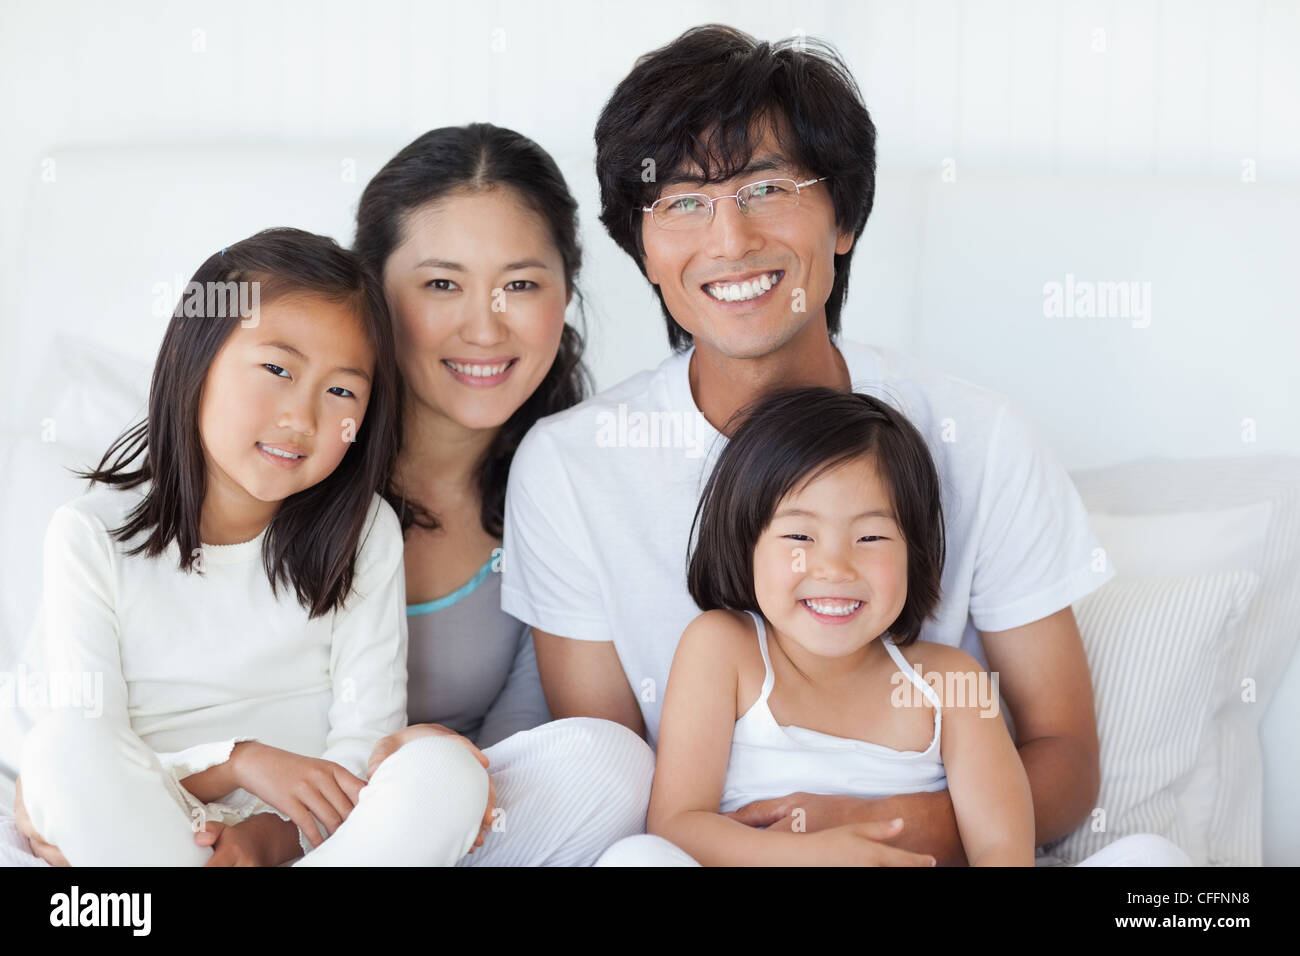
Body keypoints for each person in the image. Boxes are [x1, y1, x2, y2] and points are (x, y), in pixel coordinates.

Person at [501, 24, 1192, 866]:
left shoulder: (979, 438)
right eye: (683, 201)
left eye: (767, 187)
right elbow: (615, 784)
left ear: (844, 219)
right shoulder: (572, 467)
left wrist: (870, 834)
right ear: (643, 249)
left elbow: (1066, 759)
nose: (730, 241)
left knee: (1162, 874)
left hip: (940, 850)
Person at [14, 227, 491, 866]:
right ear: (196, 360)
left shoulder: (363, 531)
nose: (302, 417)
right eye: (276, 369)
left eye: (342, 390)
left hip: (310, 839)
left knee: (445, 768)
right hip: (157, 827)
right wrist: (242, 764)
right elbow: (92, 739)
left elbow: (362, 742)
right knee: (57, 756)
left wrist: (270, 837)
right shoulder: (89, 536)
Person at [352, 124, 655, 866]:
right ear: (373, 295)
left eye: (520, 284)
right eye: (441, 284)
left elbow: (526, 740)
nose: (484, 327)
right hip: (277, 797)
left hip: (449, 818)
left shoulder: (563, 483)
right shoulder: (296, 455)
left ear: (565, 293)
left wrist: (445, 777)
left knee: (614, 762)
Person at [645, 386, 1034, 865]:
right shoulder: (723, 650)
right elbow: (674, 828)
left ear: (914, 551)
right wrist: (808, 855)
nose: (835, 567)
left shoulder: (950, 684)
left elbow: (1002, 846)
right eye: (799, 535)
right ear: (747, 544)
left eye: (870, 536)